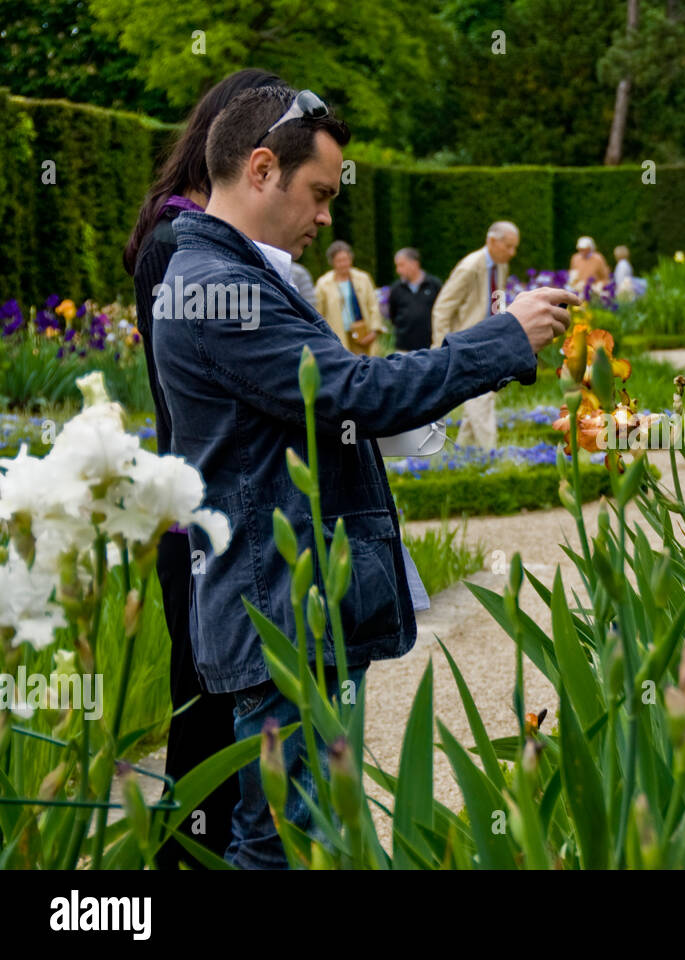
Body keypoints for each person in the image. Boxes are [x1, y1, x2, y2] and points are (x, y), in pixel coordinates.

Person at [151, 85, 576, 869]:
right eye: (318, 194)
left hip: (291, 598)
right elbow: (349, 393)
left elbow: (339, 398)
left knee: (301, 829)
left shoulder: (240, 271)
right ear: (261, 167)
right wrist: (498, 343)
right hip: (278, 604)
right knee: (286, 839)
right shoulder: (218, 285)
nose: (325, 218)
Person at [122, 66, 281, 871]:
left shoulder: (189, 236)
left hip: (201, 498)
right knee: (205, 711)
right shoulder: (176, 243)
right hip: (196, 507)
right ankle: (186, 862)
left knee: (221, 706)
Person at [433, 222, 520, 449]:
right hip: (466, 344)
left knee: (478, 398)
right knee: (482, 399)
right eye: (509, 247)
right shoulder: (470, 267)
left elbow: (498, 300)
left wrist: (503, 329)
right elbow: (442, 308)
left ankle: (463, 453)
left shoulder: (500, 266)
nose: (512, 253)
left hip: (488, 342)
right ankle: (493, 456)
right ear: (492, 241)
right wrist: (440, 349)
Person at [315, 240, 383, 355]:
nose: (343, 264)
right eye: (339, 261)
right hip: (337, 336)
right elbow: (318, 312)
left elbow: (373, 306)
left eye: (346, 259)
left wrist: (374, 330)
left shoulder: (363, 278)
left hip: (362, 334)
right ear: (332, 262)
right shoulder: (323, 284)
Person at [387, 247, 442, 351]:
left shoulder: (434, 285)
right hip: (404, 349)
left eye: (401, 265)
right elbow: (392, 316)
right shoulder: (396, 288)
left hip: (430, 347)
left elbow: (442, 311)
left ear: (415, 263)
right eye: (397, 266)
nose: (398, 270)